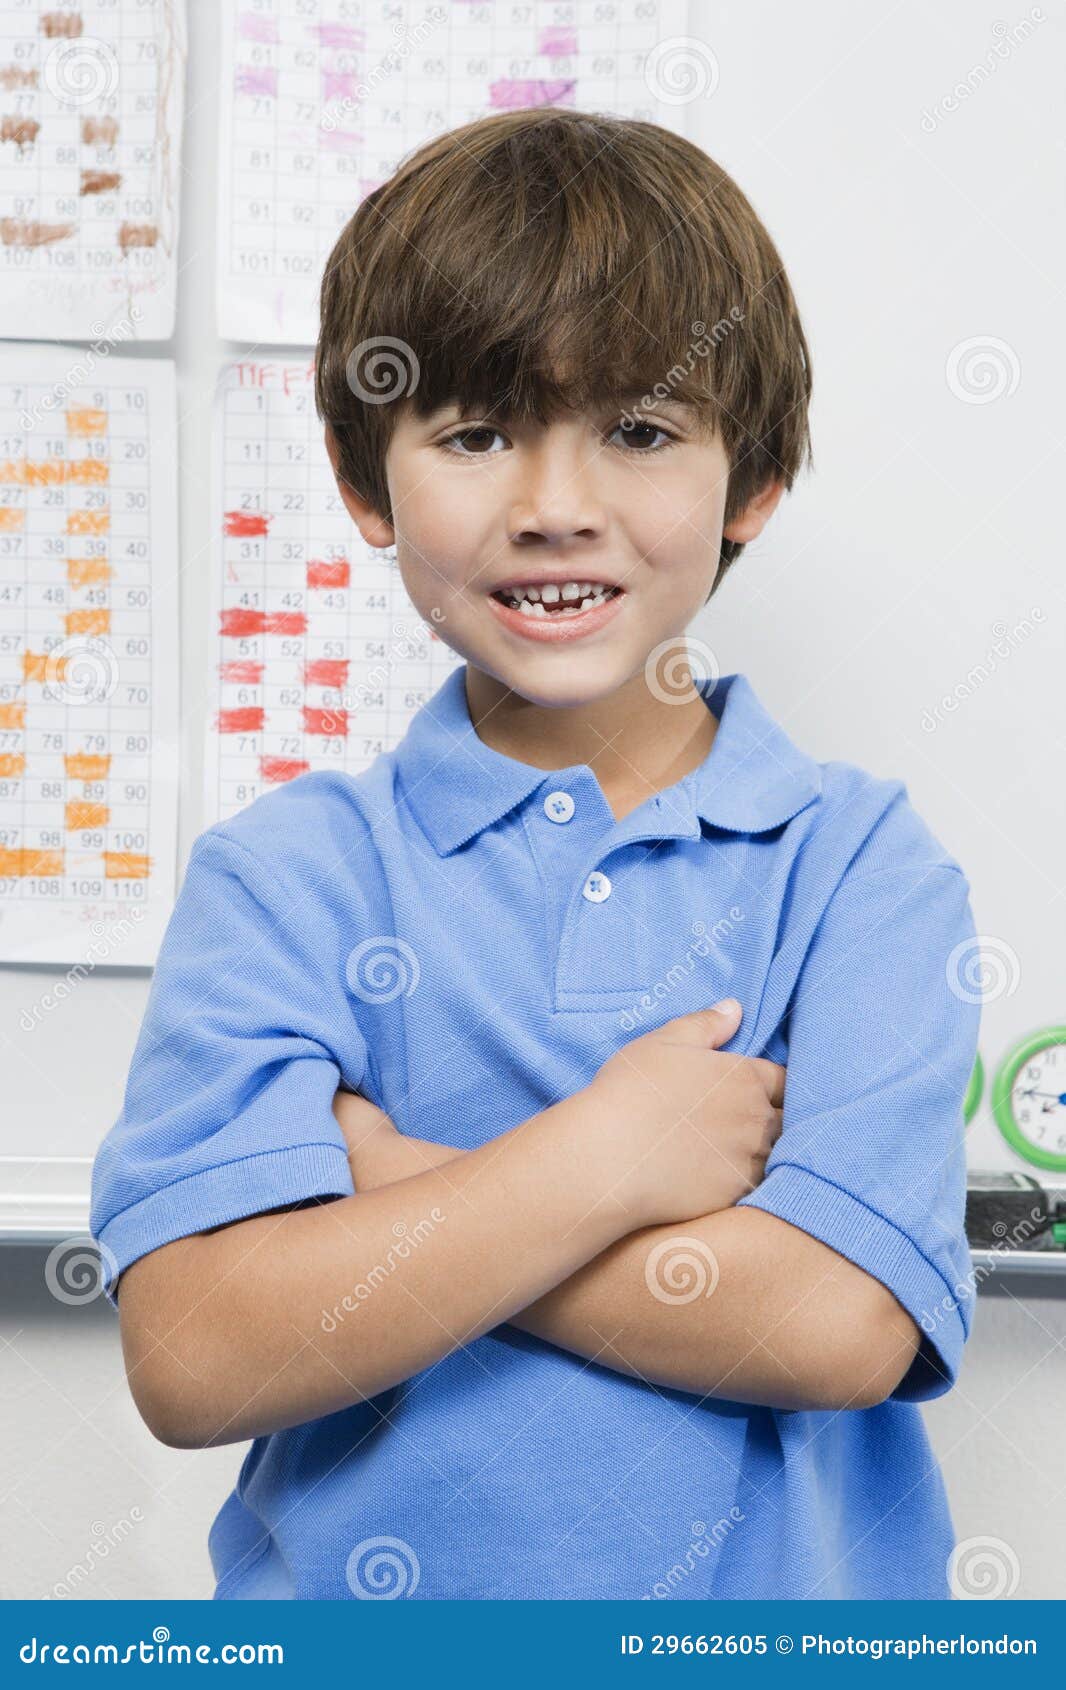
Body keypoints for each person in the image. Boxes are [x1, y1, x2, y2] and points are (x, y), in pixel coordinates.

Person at [90, 108, 980, 1601]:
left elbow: (832, 1327)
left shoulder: (860, 868)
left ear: (750, 478)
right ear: (365, 481)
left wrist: (402, 1188)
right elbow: (194, 1353)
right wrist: (604, 1159)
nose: (554, 506)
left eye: (638, 431)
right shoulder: (289, 877)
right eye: (476, 432)